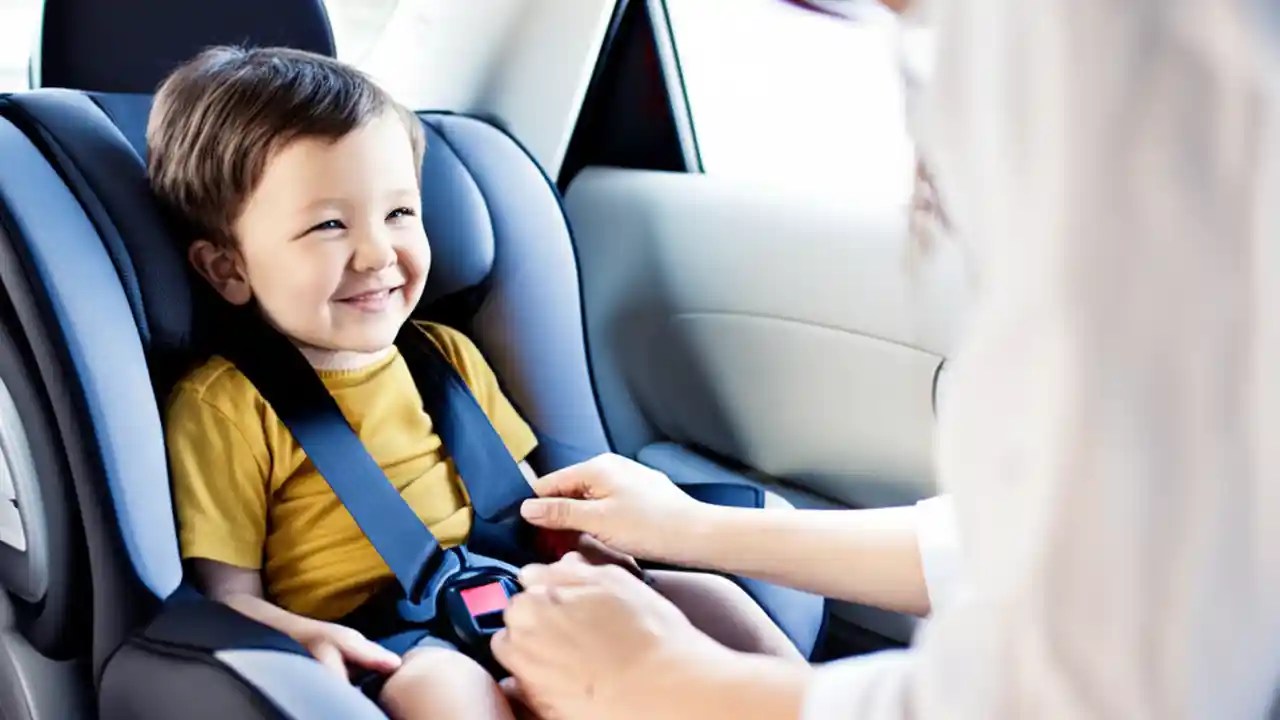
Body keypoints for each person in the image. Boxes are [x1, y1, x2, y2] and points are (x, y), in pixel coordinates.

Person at [491, 0, 1280, 717]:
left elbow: (1092, 688)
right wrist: (692, 527)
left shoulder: (1152, 64)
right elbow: (1042, 545)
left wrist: (660, 680)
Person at [150, 46, 798, 720]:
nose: (378, 253)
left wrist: (598, 562)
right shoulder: (224, 408)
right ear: (228, 269)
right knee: (452, 693)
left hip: (519, 584)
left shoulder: (447, 356)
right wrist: (305, 635)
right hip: (391, 641)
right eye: (330, 224)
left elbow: (525, 505)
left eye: (399, 213)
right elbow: (225, 598)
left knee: (711, 601)